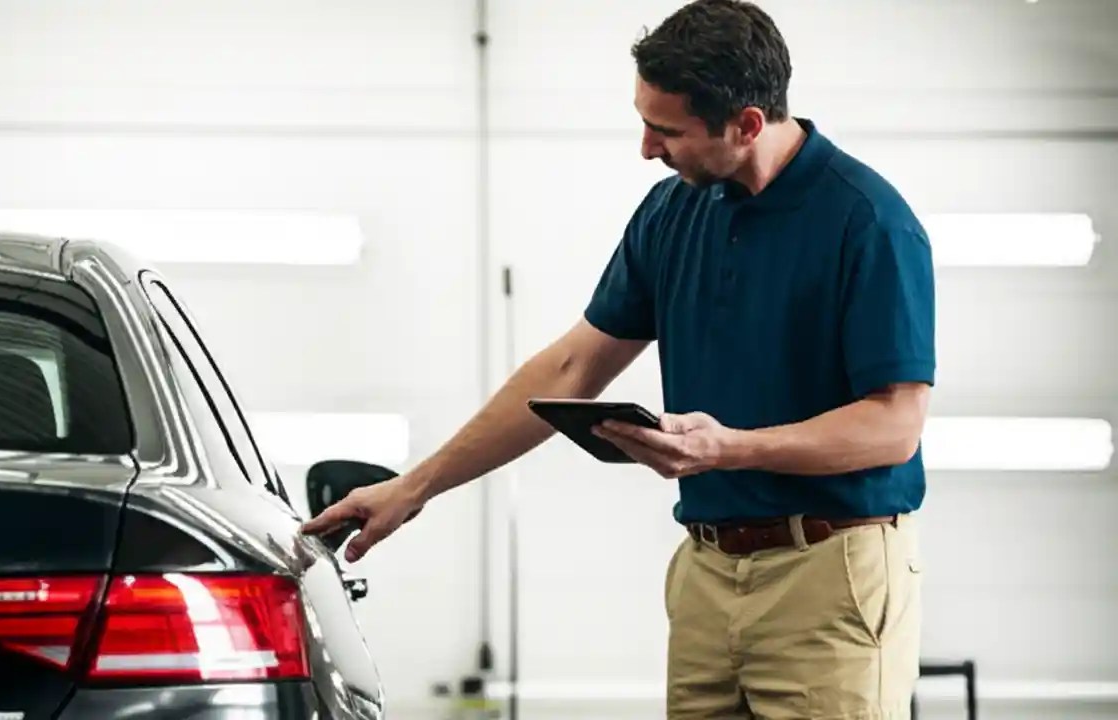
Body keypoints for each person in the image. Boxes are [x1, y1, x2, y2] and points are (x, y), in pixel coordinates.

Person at [301, 0, 935, 717]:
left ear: (747, 124)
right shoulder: (671, 215)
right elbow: (571, 370)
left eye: (666, 130)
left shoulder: (868, 222)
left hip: (830, 575)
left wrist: (730, 449)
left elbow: (894, 426)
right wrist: (415, 488)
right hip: (706, 570)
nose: (645, 148)